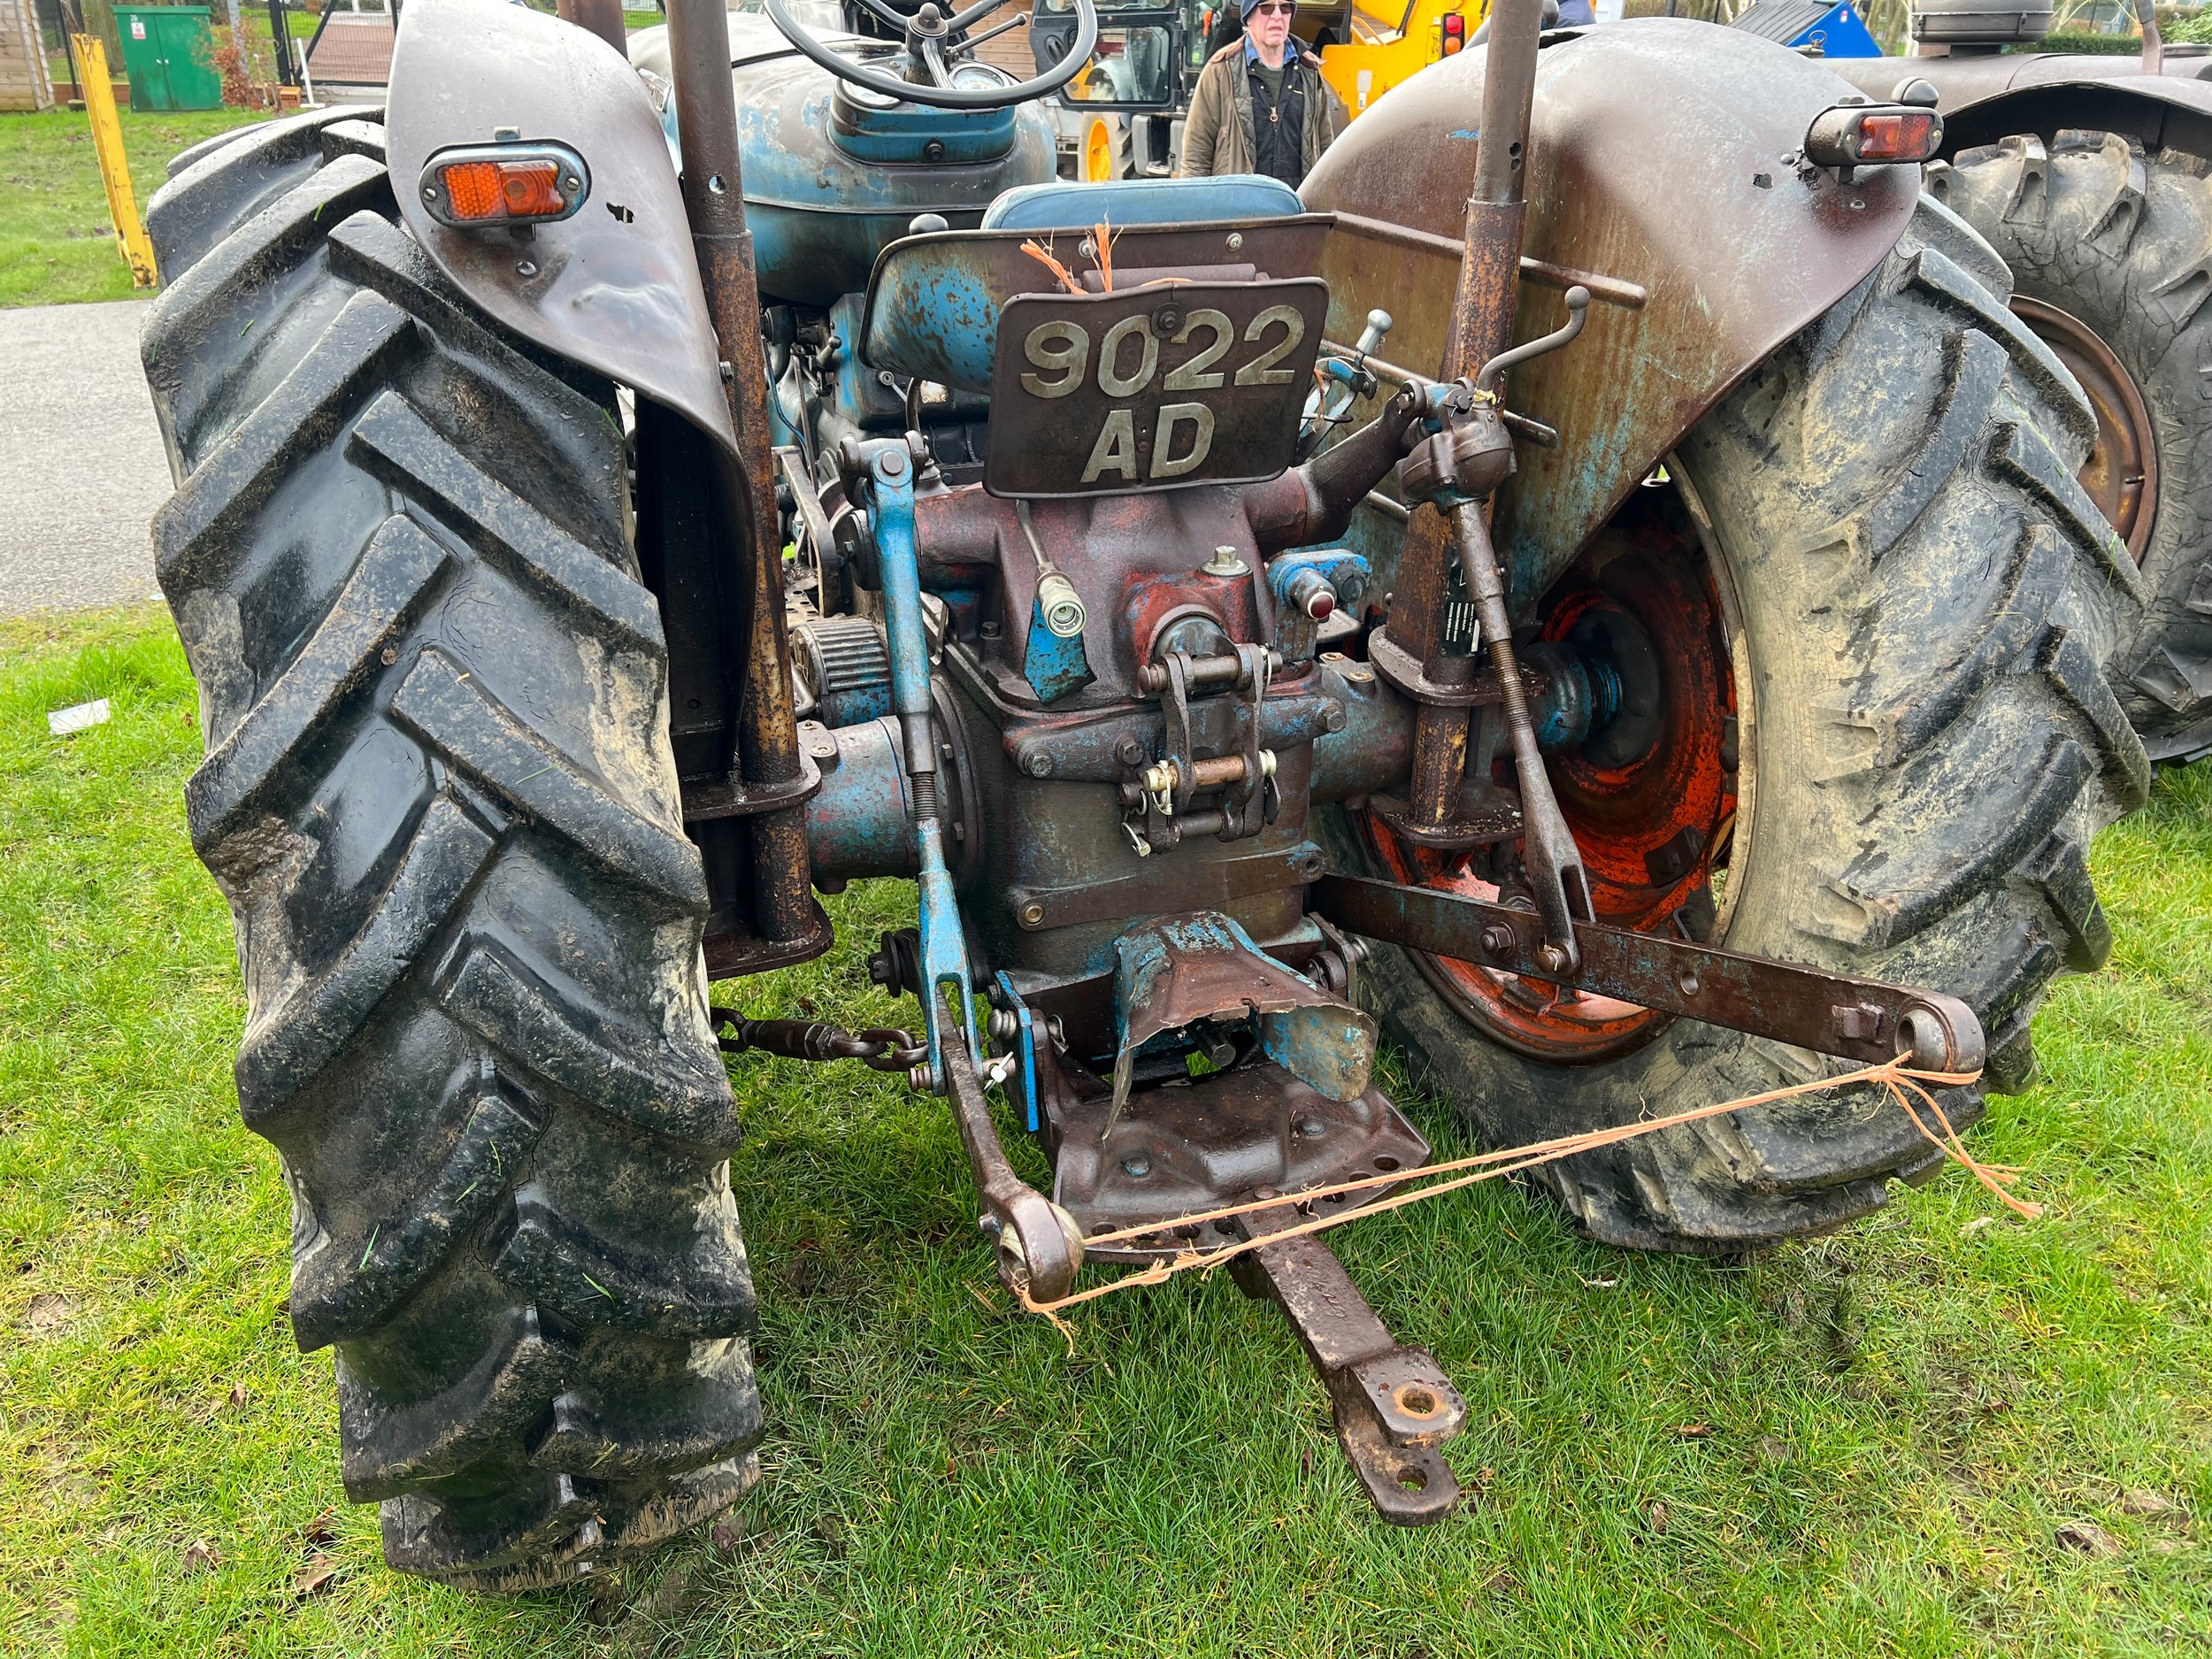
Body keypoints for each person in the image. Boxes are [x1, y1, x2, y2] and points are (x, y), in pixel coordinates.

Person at [1178, 0, 1346, 185]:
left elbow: (1325, 149)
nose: (1277, 16)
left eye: (1285, 7)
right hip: (1240, 207)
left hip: (1296, 206)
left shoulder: (1310, 71)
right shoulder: (1220, 70)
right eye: (1266, 7)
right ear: (1248, 17)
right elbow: (1196, 155)